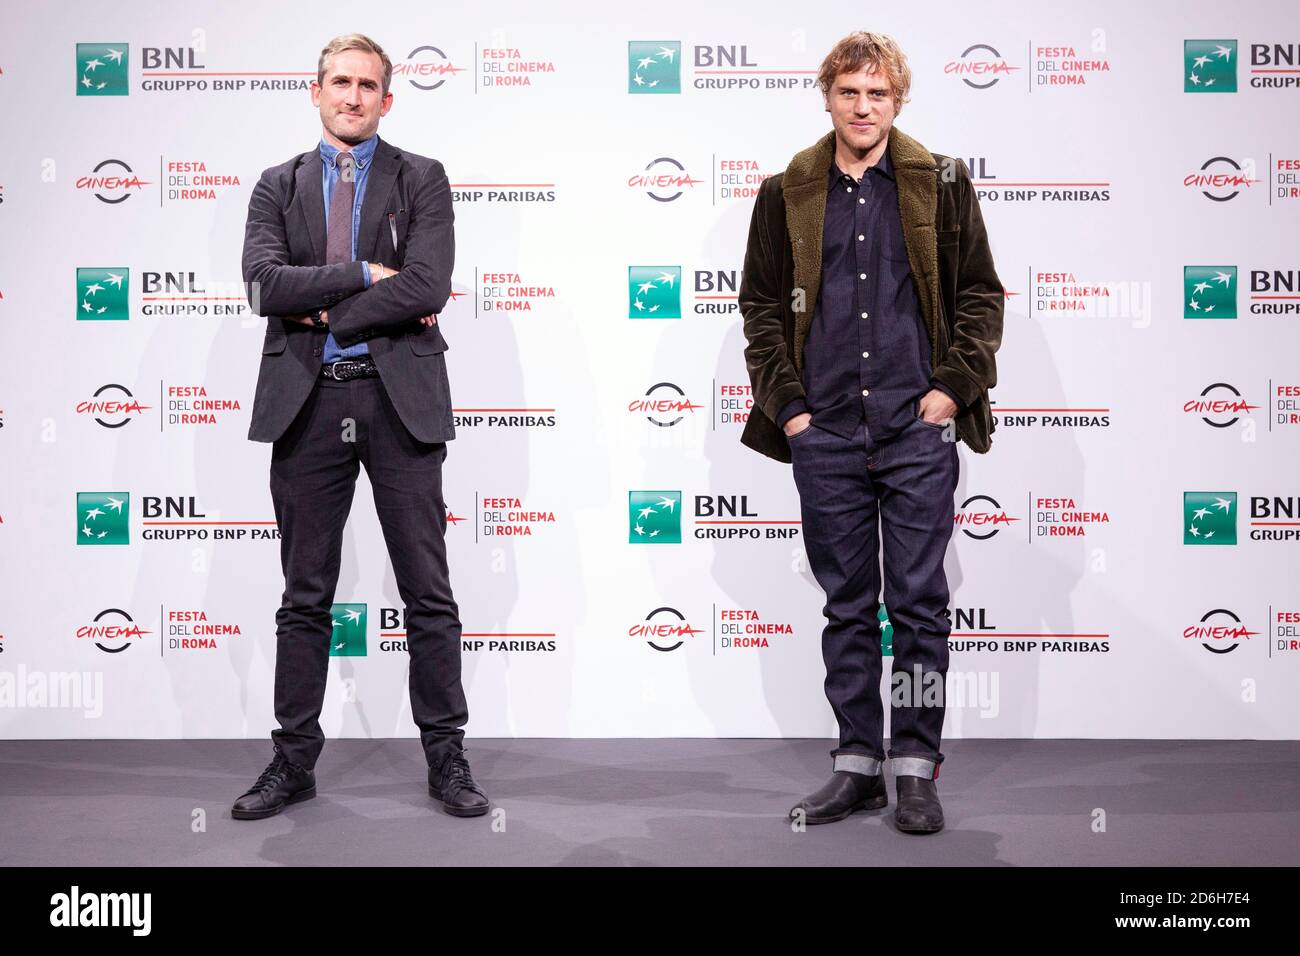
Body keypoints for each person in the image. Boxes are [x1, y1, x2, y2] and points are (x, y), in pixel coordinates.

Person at [738, 31, 1004, 834]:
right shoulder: (786, 191)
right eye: (849, 92)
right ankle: (857, 764)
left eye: (877, 93)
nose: (863, 107)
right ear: (827, 97)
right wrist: (791, 409)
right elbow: (760, 308)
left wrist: (949, 392)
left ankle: (915, 766)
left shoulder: (941, 181)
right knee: (848, 606)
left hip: (915, 430)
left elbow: (979, 296)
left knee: (917, 605)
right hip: (825, 431)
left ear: (897, 101)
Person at [233, 33, 487, 819]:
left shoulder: (422, 178)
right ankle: (293, 762)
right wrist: (364, 276)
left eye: (367, 85)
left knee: (427, 592)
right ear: (316, 91)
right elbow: (263, 285)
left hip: (398, 401)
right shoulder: (276, 186)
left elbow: (428, 285)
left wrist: (325, 310)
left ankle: (446, 758)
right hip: (307, 403)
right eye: (340, 82)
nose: (352, 96)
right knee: (305, 594)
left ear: (387, 99)